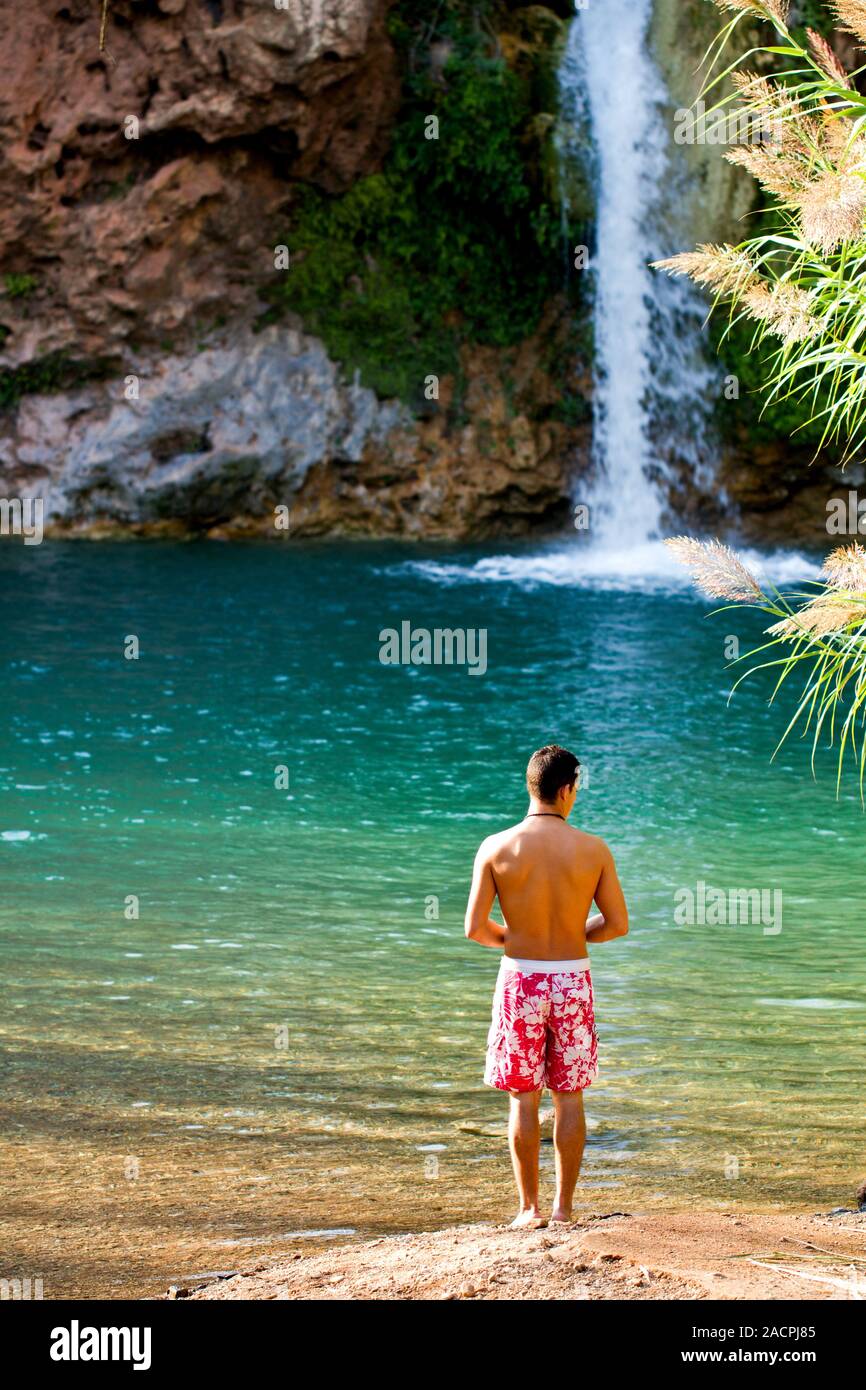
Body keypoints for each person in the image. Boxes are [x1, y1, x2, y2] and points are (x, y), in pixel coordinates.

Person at [464, 744, 628, 1228]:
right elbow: (617, 924)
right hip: (572, 978)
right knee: (570, 1095)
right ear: (567, 788)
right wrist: (573, 934)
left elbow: (475, 928)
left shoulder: (496, 846)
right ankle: (564, 1211)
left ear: (530, 787)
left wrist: (517, 938)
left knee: (523, 1095)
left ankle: (527, 1210)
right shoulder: (593, 849)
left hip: (520, 979)